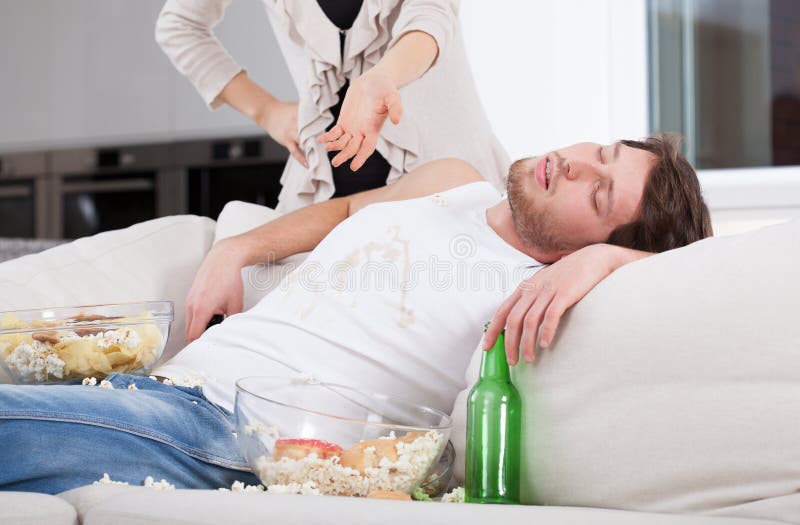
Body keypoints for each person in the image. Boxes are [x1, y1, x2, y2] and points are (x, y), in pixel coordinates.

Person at [0, 134, 712, 493]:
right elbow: (341, 209)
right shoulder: (453, 182)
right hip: (167, 381)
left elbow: (694, 284)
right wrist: (238, 249)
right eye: (602, 151)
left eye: (598, 193)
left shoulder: (544, 288)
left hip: (235, 435)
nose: (577, 162)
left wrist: (609, 263)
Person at [156, 0, 509, 210]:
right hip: (324, 199)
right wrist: (268, 111)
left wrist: (385, 76)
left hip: (448, 183)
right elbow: (179, 25)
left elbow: (433, 13)